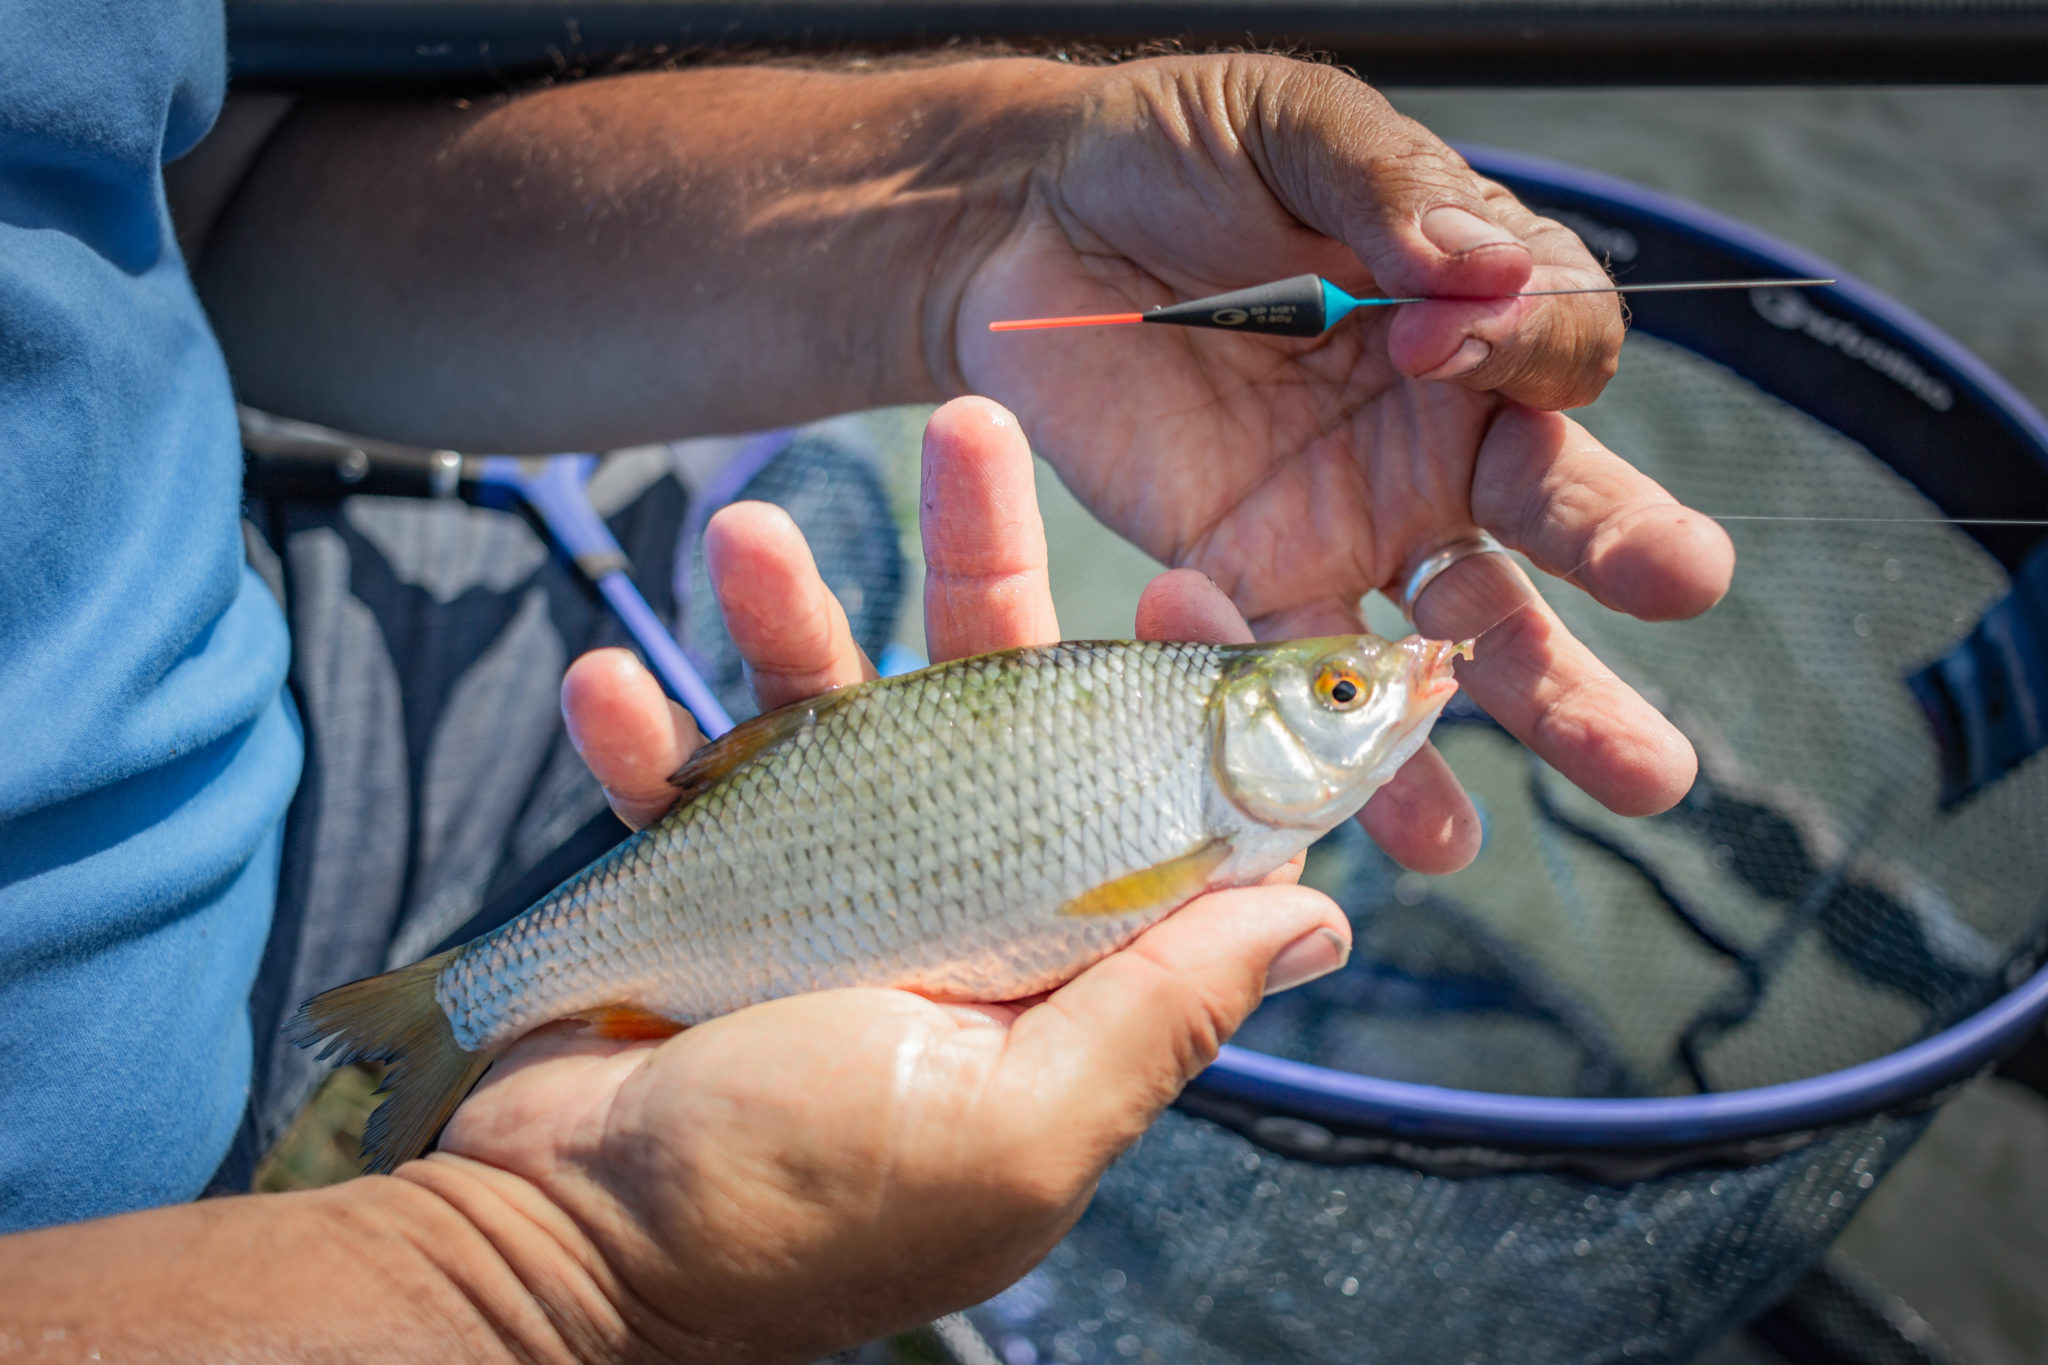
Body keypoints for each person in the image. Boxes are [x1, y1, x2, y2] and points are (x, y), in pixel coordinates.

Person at [0, 0, 1736, 1355]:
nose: (1371, 690)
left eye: (1338, 693)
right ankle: (473, 1020)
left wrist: (982, 212)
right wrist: (537, 1270)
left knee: (757, 543)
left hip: (232, 671)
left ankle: (476, 999)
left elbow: (190, 181)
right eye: (1341, 695)